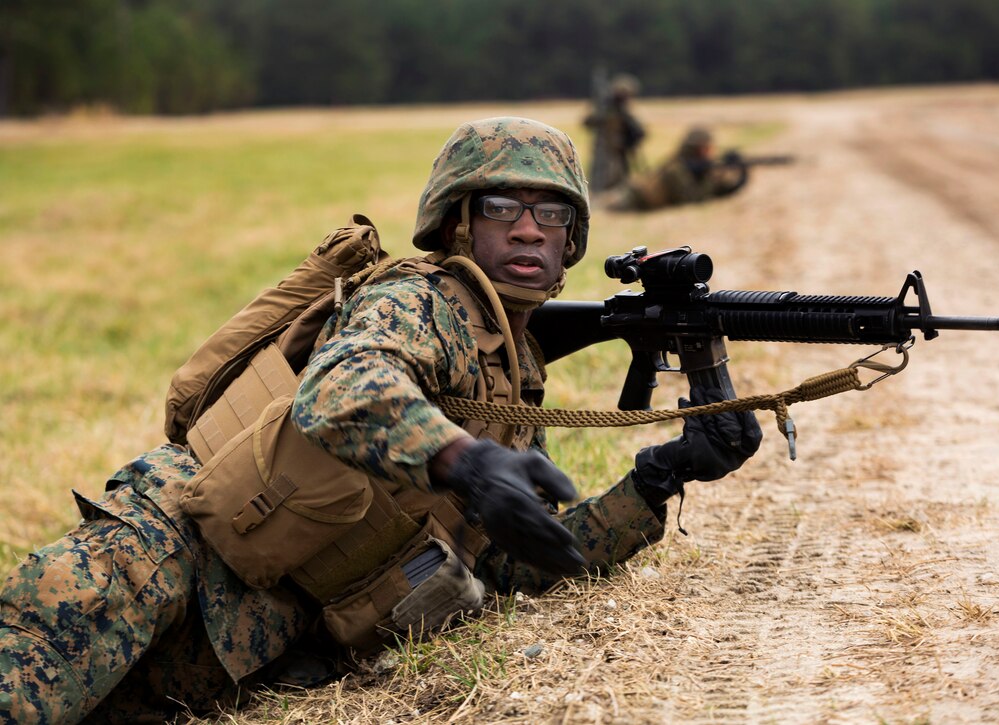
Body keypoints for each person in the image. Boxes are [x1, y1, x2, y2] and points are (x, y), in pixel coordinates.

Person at [0, 117, 761, 724]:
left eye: (551, 213)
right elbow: (341, 385)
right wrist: (463, 459)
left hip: (239, 639)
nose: (528, 228)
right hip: (158, 557)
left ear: (572, 241)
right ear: (459, 224)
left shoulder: (515, 379)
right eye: (502, 207)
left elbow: (509, 566)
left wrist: (660, 477)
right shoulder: (418, 299)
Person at [604, 126, 749, 212]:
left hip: (635, 196)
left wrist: (740, 177)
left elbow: (717, 192)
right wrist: (709, 177)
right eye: (706, 148)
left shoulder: (695, 169)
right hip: (633, 197)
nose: (711, 152)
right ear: (696, 149)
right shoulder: (677, 170)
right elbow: (692, 199)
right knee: (599, 207)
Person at [583, 74, 646, 192]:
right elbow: (587, 122)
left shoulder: (621, 112)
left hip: (617, 151)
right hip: (605, 151)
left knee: (618, 179)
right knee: (603, 178)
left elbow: (637, 131)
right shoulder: (607, 110)